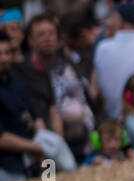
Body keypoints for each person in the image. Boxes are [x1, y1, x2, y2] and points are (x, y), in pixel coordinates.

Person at [0, 30, 75, 181]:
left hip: (34, 150)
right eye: (0, 54)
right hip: (8, 166)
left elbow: (35, 117)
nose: (4, 58)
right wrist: (36, 148)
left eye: (8, 52)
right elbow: (1, 139)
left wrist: (42, 146)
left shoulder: (15, 79)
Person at [24, 11, 96, 160]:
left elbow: (88, 98)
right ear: (31, 40)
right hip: (52, 146)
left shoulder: (69, 64)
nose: (47, 38)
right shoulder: (26, 73)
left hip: (89, 140)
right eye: (41, 34)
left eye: (51, 33)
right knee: (51, 180)